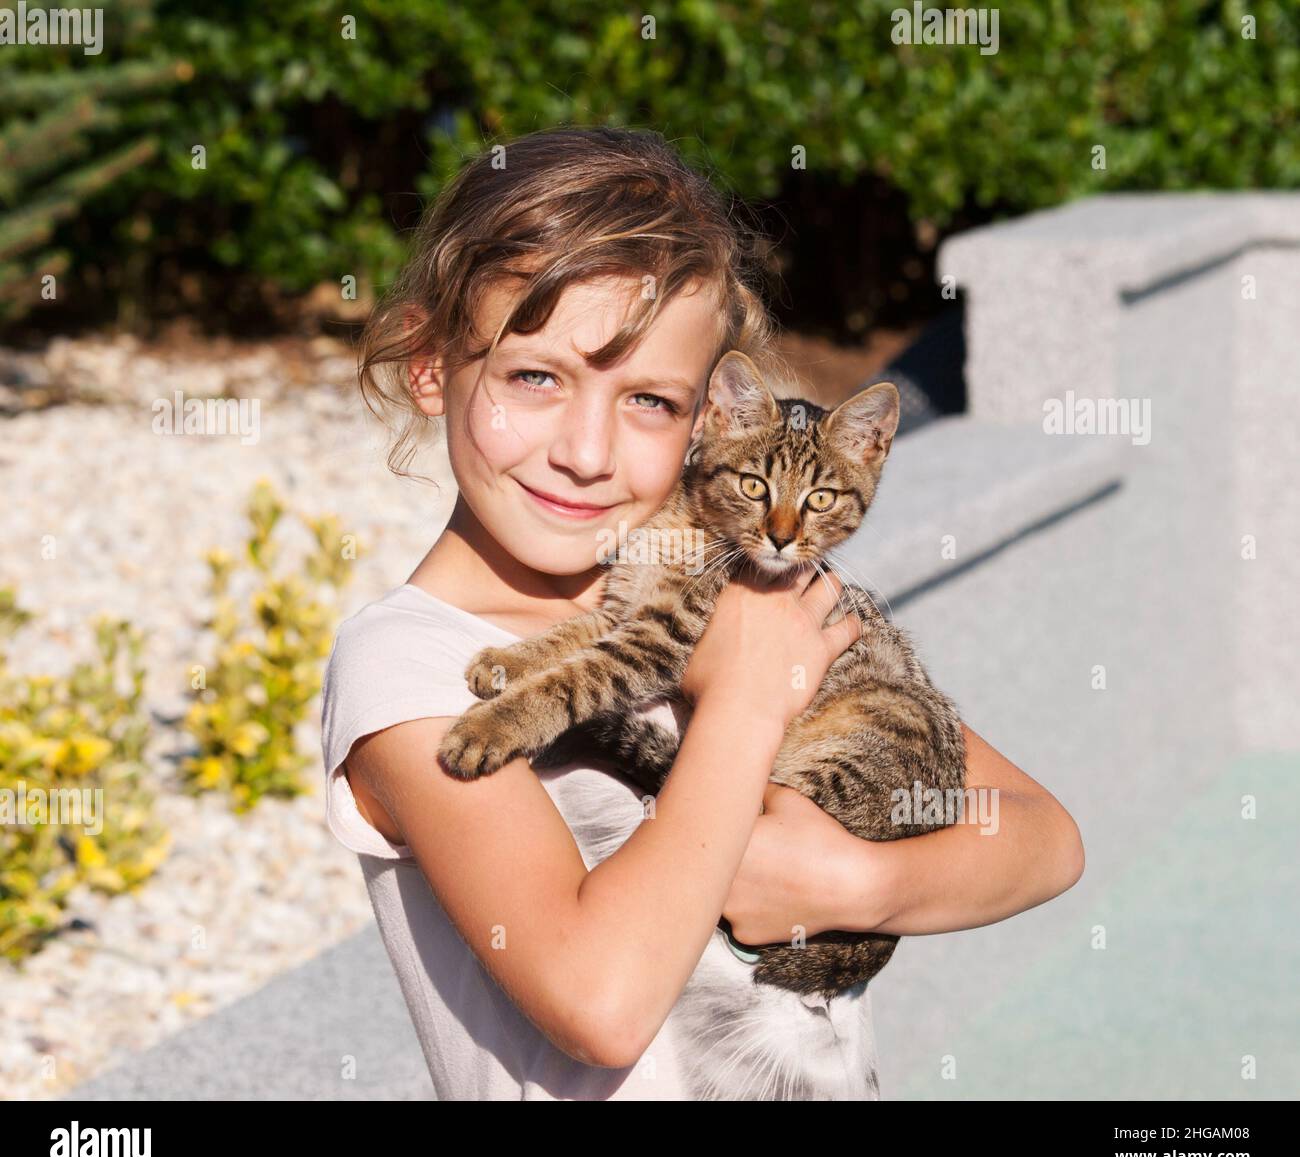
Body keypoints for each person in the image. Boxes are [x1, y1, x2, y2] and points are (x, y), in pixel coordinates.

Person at [320, 125, 1085, 1100]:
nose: (587, 451)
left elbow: (1043, 837)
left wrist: (857, 884)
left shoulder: (742, 584)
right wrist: (743, 703)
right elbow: (602, 1006)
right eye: (535, 377)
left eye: (647, 400)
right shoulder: (409, 670)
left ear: (708, 418)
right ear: (431, 364)